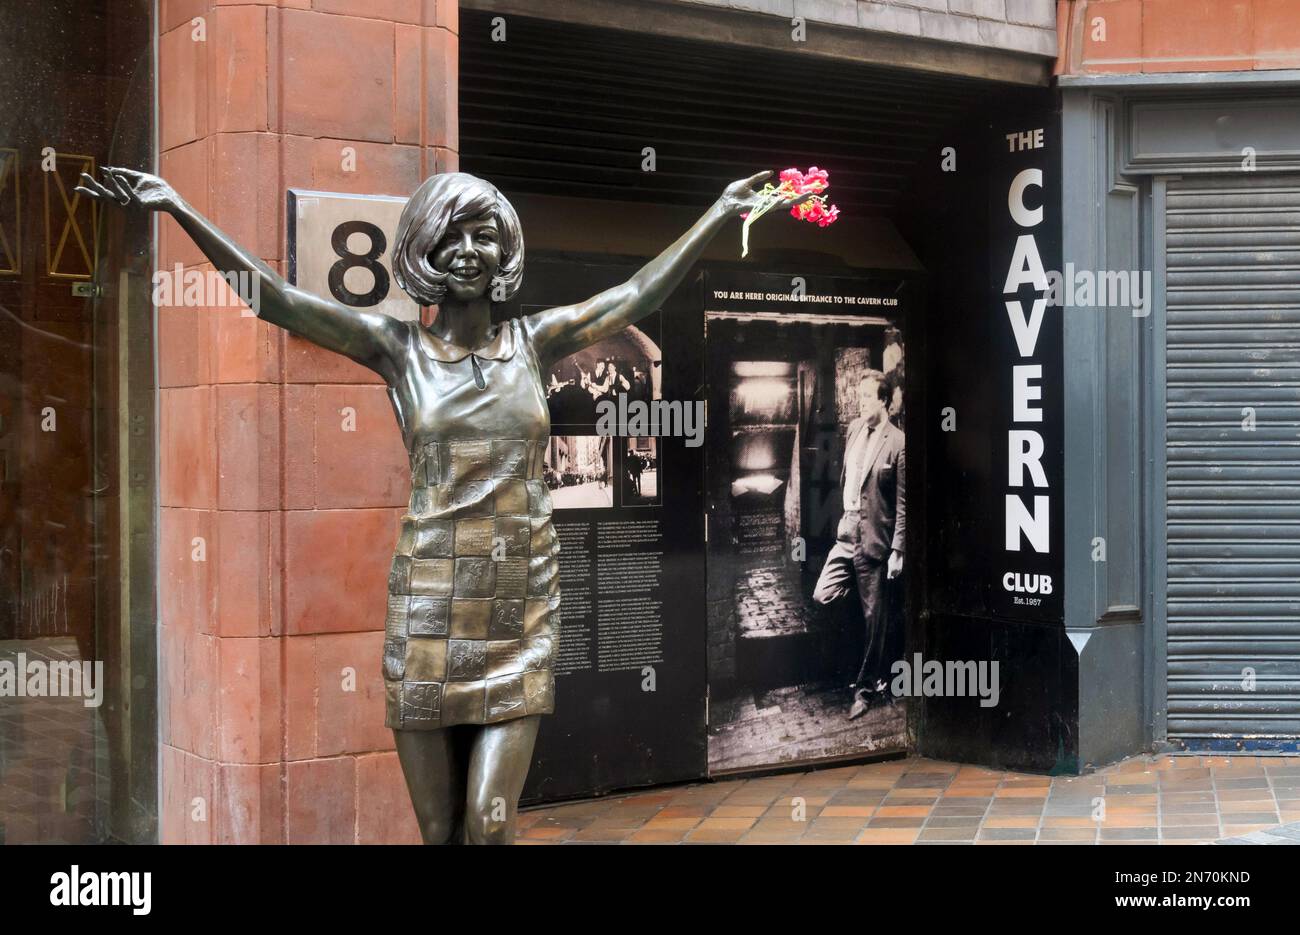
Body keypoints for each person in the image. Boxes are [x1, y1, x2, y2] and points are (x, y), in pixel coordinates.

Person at [77, 164, 789, 844]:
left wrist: (720, 214)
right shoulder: (397, 349)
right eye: (451, 237)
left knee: (488, 820)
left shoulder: (533, 342)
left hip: (521, 603)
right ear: (423, 250)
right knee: (441, 830)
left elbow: (634, 295)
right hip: (427, 606)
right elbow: (273, 297)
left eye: (483, 235)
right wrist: (177, 207)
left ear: (503, 247)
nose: (468, 251)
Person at [812, 370, 906, 720]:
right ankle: (874, 656)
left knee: (874, 620)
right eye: (859, 395)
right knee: (824, 594)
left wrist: (898, 550)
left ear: (883, 401)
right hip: (846, 531)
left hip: (875, 542)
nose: (860, 402)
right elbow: (848, 479)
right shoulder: (853, 430)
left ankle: (865, 691)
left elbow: (903, 502)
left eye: (867, 396)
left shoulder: (898, 442)